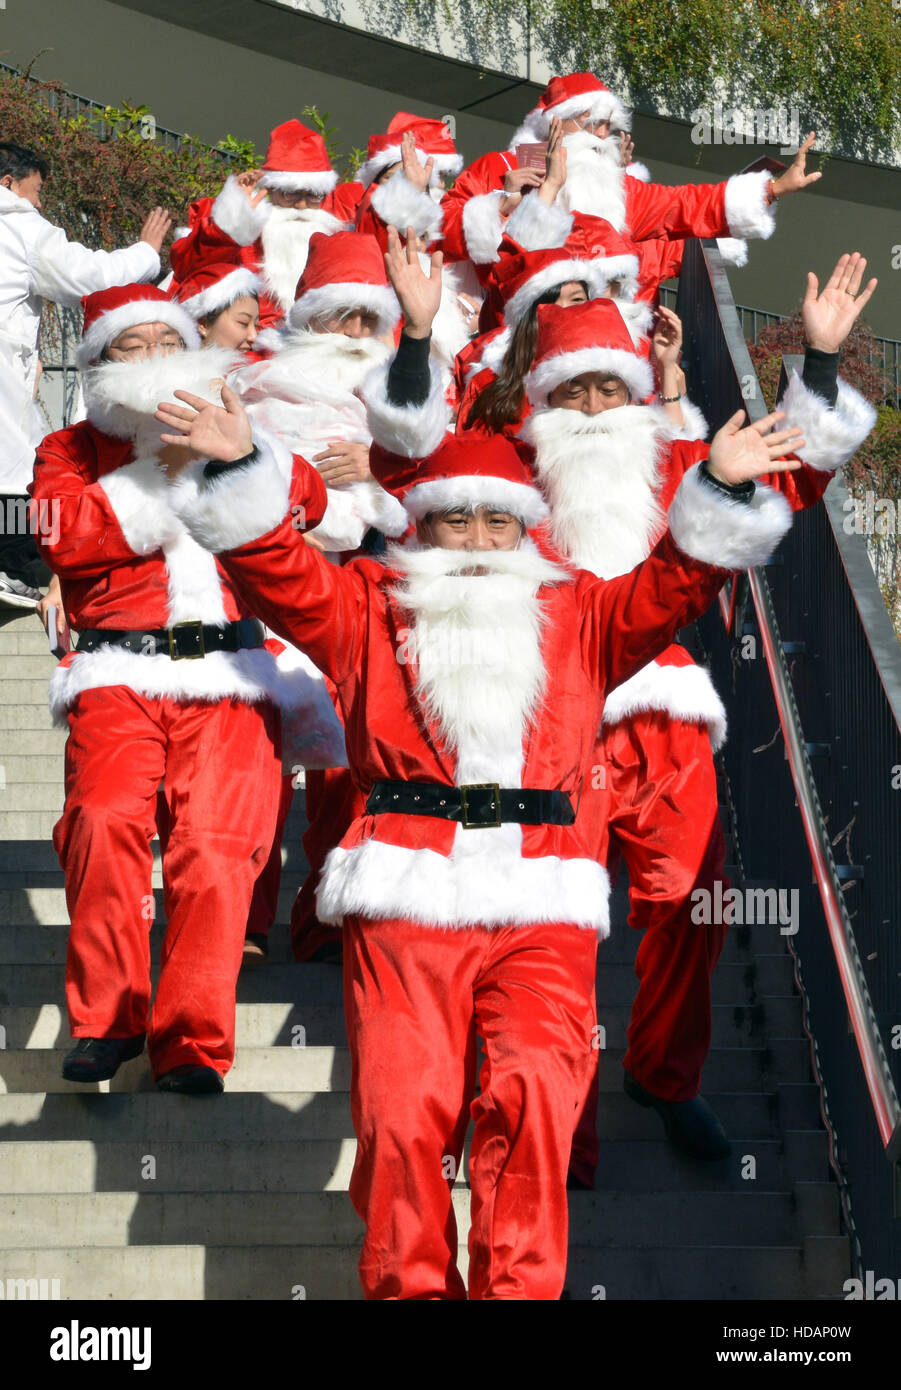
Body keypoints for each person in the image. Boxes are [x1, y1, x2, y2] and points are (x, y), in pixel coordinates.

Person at [156, 229, 802, 1299]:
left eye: (495, 520)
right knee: (405, 1117)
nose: (471, 534)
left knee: (536, 1106)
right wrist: (236, 464)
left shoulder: (583, 612)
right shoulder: (369, 604)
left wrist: (719, 485)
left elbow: (674, 589)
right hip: (407, 886)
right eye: (449, 517)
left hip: (542, 895)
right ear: (419, 528)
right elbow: (277, 570)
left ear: (526, 530)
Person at [515, 256, 877, 1167]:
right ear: (543, 399)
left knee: (691, 901)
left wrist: (820, 365)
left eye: (610, 387)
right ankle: (560, 1127)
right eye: (575, 391)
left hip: (666, 717)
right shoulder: (500, 484)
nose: (595, 408)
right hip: (547, 719)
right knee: (554, 929)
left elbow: (779, 480)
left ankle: (663, 1074)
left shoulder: (671, 459)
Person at [28, 282, 312, 1094]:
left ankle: (190, 1039)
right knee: (101, 820)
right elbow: (62, 537)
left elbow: (310, 505)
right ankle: (107, 1021)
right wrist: (164, 469)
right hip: (117, 669)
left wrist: (238, 456)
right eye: (130, 344)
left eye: (165, 339)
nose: (152, 355)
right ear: (96, 364)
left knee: (217, 854)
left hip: (231, 674)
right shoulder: (70, 450)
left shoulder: (238, 421)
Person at [439, 71, 820, 294]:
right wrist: (500, 204)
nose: (604, 133)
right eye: (595, 123)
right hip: (518, 335)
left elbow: (680, 204)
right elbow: (437, 230)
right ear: (558, 122)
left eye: (610, 125)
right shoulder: (504, 166)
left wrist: (772, 189)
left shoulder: (618, 185)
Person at [0, 141, 169, 607]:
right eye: (36, 192)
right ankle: (10, 565)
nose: (38, 204)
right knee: (15, 474)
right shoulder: (15, 224)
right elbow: (91, 277)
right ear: (8, 183)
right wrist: (146, 251)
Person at [169, 120, 348, 330]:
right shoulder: (246, 236)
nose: (301, 205)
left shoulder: (336, 239)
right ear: (271, 189)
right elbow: (188, 269)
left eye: (313, 195)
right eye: (290, 194)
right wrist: (231, 221)